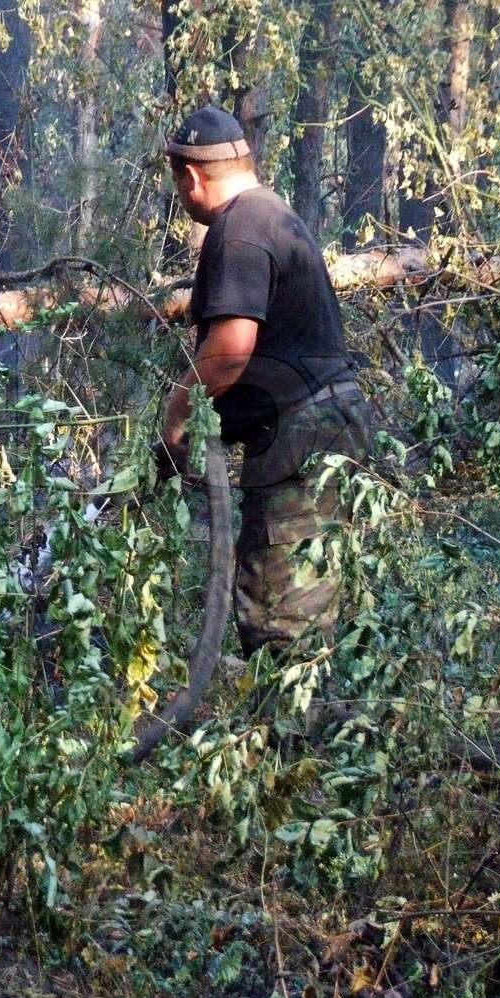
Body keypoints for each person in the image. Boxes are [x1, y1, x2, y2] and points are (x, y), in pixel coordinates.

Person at [157, 105, 371, 658]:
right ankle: (307, 730)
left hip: (302, 433)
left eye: (178, 182)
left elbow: (228, 352)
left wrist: (175, 420)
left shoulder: (240, 229)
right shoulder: (271, 214)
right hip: (322, 426)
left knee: (283, 619)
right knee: (308, 602)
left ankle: (288, 740)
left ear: (191, 176)